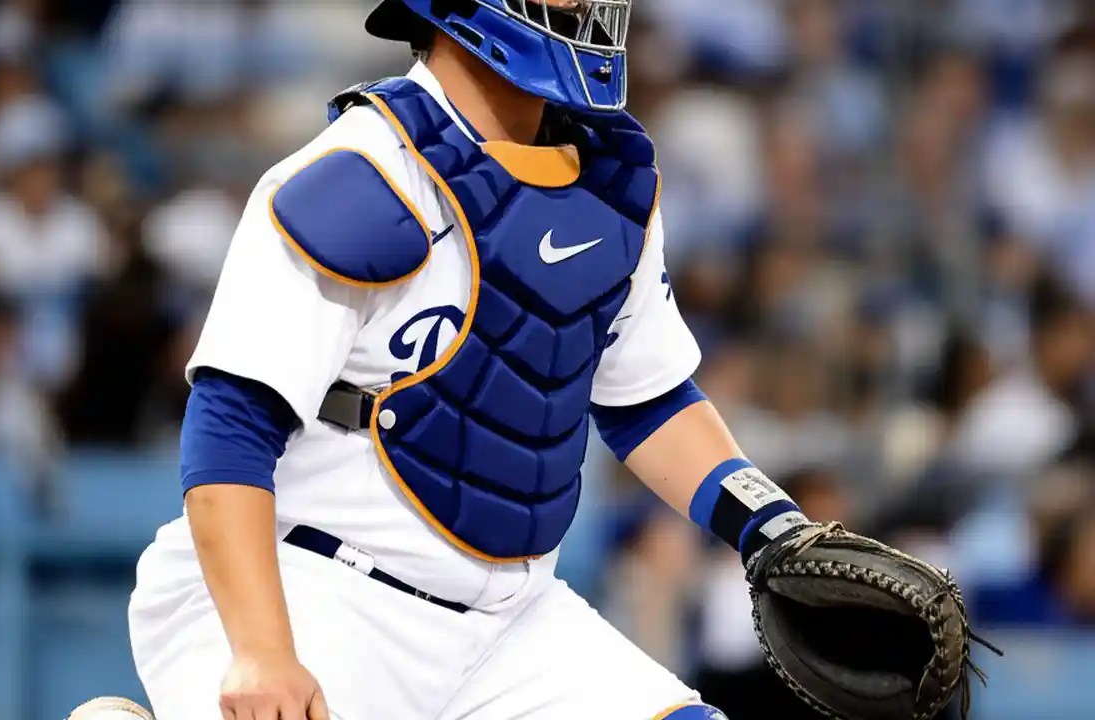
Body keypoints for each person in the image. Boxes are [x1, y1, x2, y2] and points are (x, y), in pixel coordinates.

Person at [129, 3, 825, 719]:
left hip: (514, 623)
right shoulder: (359, 175)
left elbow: (646, 400)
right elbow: (230, 428)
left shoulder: (610, 184)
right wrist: (261, 651)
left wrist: (773, 527)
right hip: (318, 589)